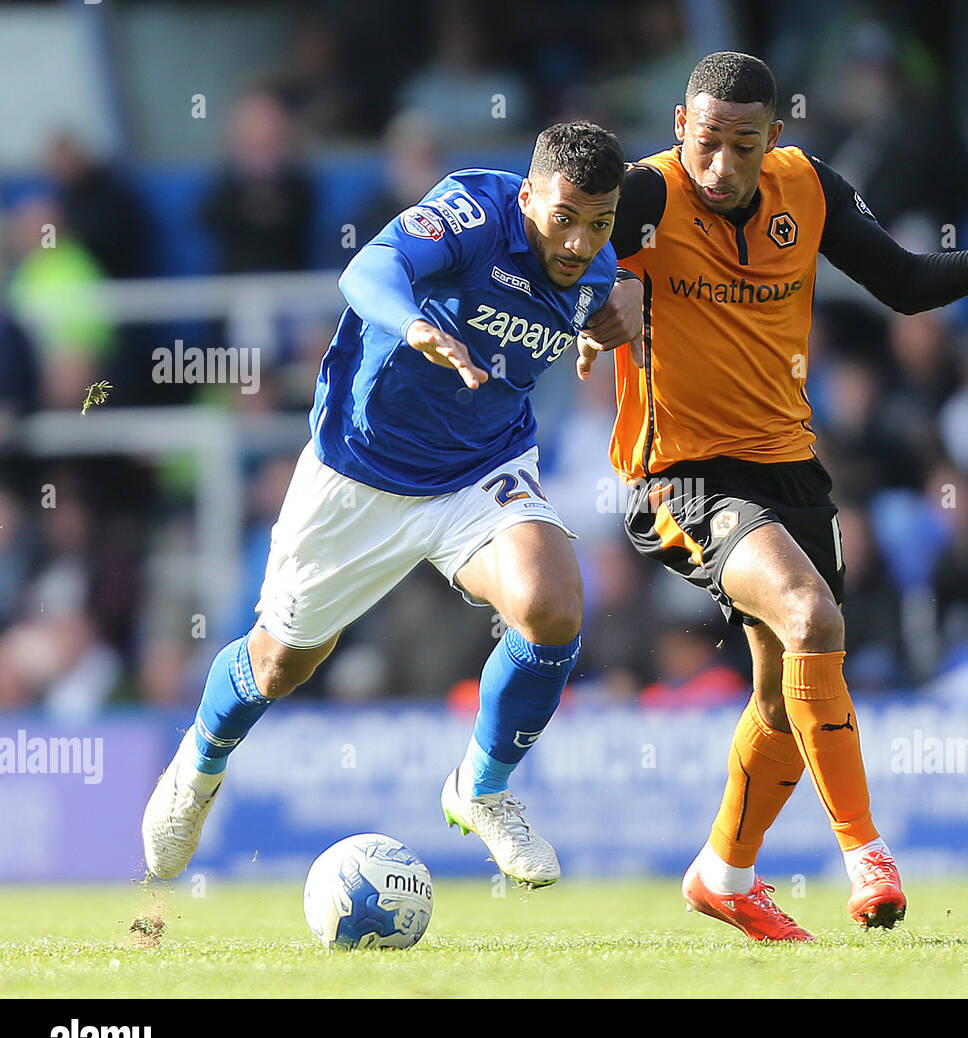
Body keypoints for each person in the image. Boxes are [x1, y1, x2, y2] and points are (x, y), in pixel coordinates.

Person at [585, 52, 968, 940]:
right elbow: (564, 254)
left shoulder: (810, 189)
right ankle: (867, 856)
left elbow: (910, 286)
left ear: (776, 140)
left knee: (777, 696)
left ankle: (723, 870)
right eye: (707, 142)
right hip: (679, 474)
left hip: (790, 470)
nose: (721, 166)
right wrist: (601, 300)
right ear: (680, 125)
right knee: (812, 617)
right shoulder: (644, 195)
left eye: (744, 146)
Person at [143, 121, 627, 889]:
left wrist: (619, 309)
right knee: (282, 662)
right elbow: (367, 271)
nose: (576, 242)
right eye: (562, 217)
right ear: (529, 192)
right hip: (360, 469)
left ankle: (483, 786)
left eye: (597, 223)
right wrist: (417, 327)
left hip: (481, 466)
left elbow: (614, 292)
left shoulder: (596, 266)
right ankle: (197, 763)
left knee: (553, 602)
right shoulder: (472, 211)